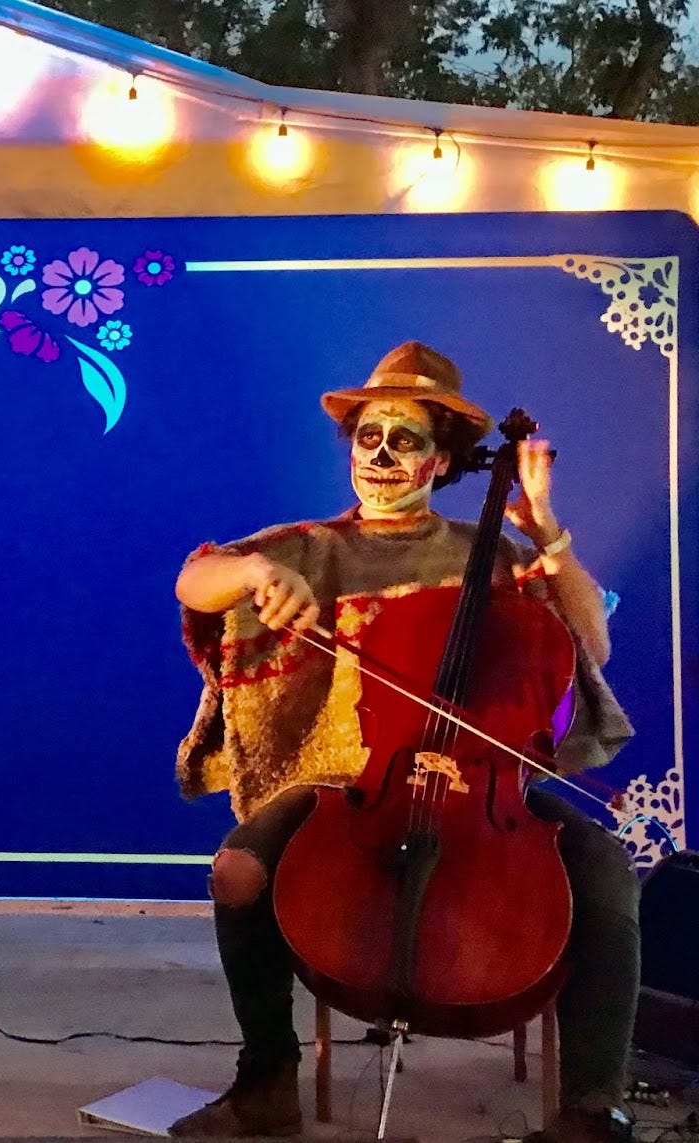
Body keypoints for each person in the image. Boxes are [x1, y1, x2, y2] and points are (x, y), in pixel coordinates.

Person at [169, 342, 640, 1143]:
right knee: (238, 871)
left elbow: (589, 642)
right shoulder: (308, 543)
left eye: (406, 438)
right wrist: (252, 577)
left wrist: (547, 532)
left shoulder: (491, 554)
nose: (382, 454)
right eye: (369, 435)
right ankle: (266, 1079)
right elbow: (196, 580)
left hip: (480, 787)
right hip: (341, 782)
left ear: (443, 459)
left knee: (606, 871)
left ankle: (593, 1110)